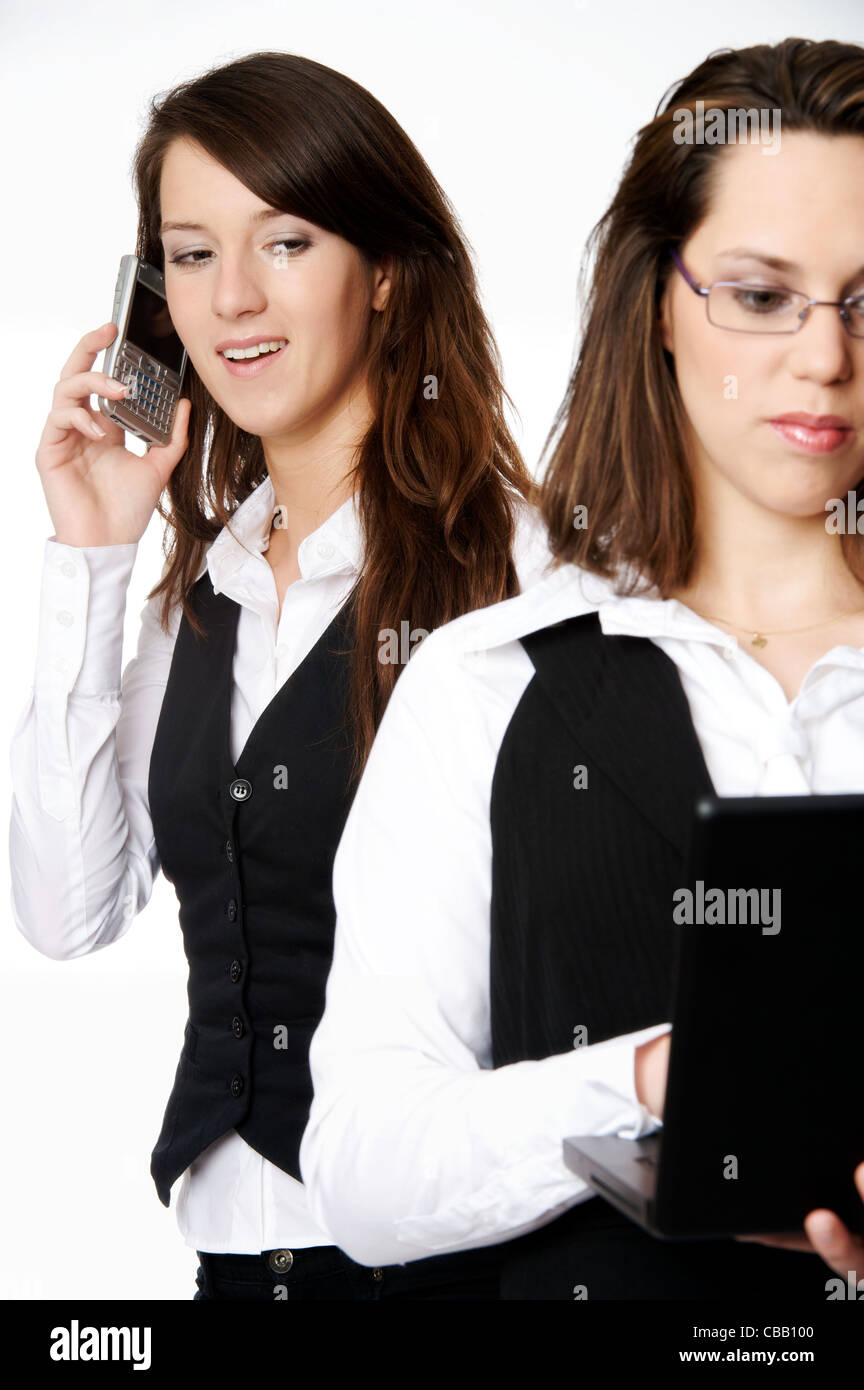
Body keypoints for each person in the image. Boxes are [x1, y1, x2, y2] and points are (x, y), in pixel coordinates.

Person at [299, 36, 864, 1299]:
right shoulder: (481, 686)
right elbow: (364, 1171)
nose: (826, 359)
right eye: (761, 295)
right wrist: (652, 1078)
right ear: (659, 299)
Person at [9, 50, 552, 1301]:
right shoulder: (202, 601)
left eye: (288, 241)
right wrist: (92, 555)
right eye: (191, 254)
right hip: (237, 1266)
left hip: (461, 1270)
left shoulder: (522, 571)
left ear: (389, 275)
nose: (233, 300)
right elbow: (64, 912)